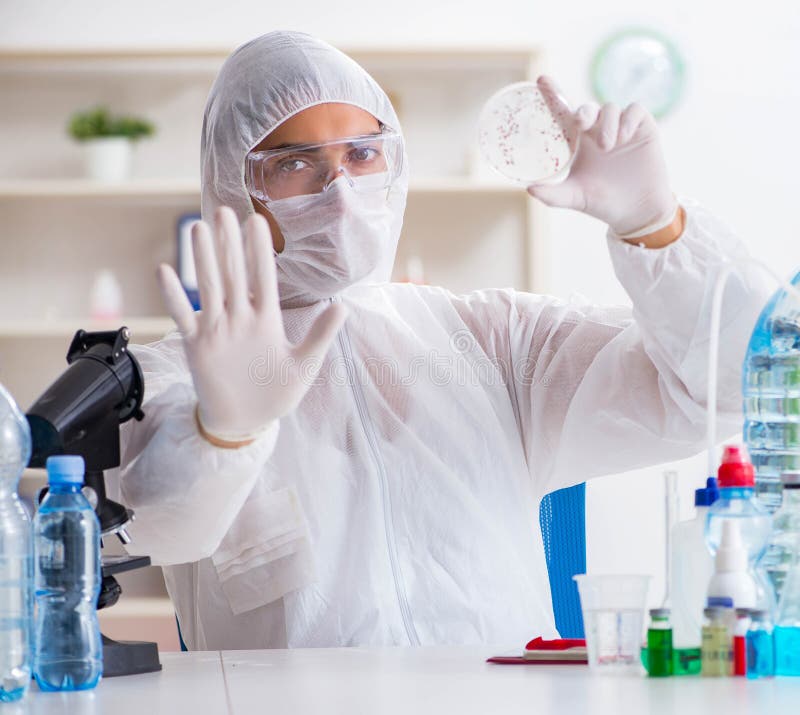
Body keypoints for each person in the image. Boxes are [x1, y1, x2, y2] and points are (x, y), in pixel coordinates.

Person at [110, 31, 771, 650]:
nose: (339, 190)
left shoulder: (493, 340)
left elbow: (721, 391)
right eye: (294, 164)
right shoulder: (179, 372)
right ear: (235, 185)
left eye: (362, 154)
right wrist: (222, 433)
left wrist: (658, 229)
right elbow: (146, 528)